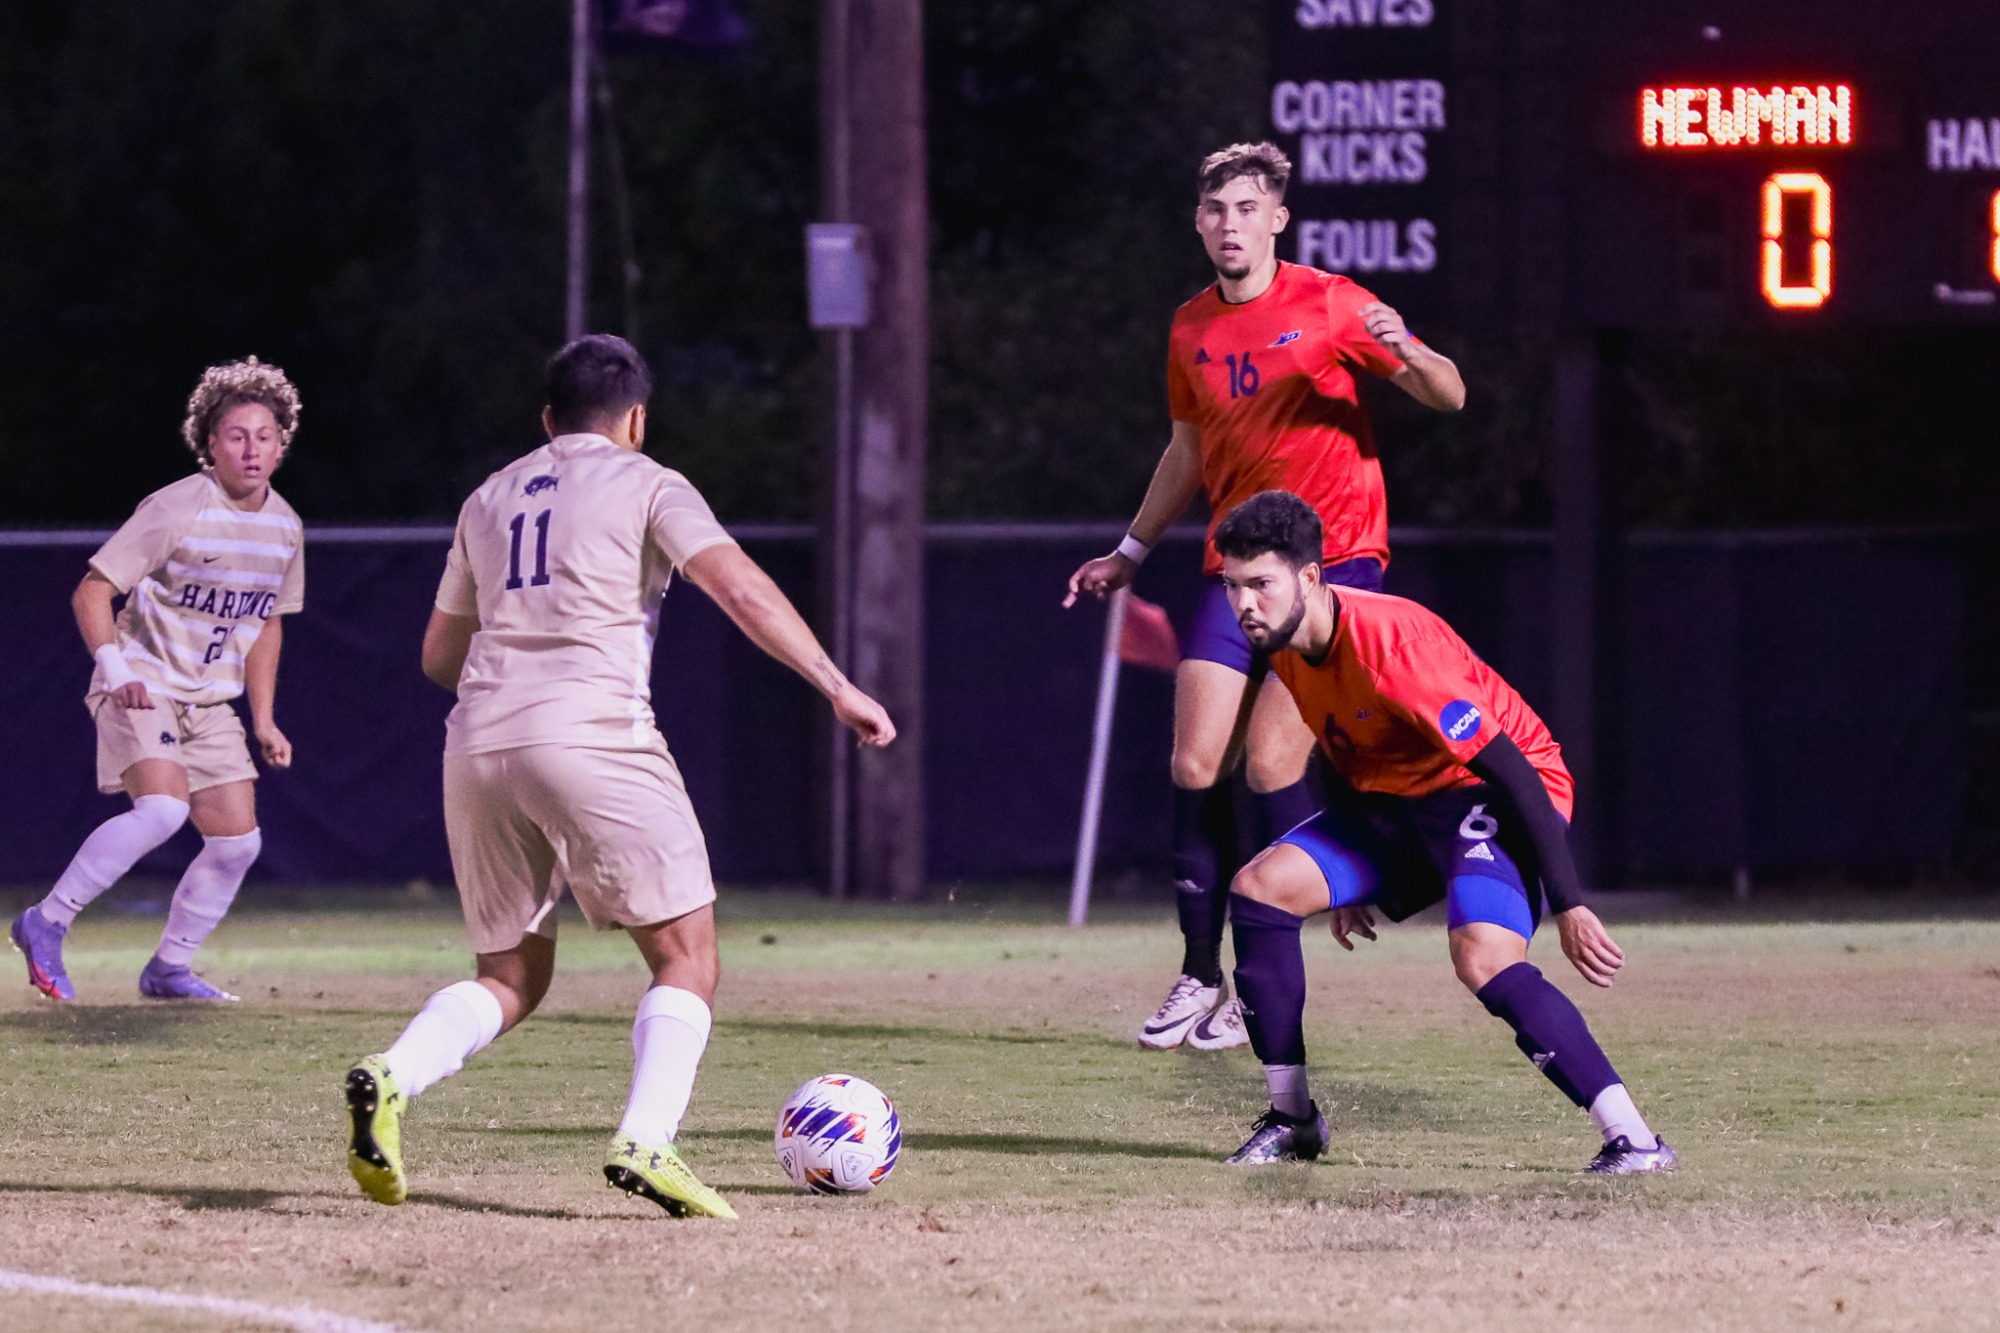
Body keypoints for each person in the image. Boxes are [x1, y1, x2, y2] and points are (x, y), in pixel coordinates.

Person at [341, 335, 895, 1220]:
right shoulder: (649, 482)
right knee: (688, 955)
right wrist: (836, 684)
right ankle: (646, 1139)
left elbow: (440, 654)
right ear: (636, 418)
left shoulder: (486, 498)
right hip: (593, 731)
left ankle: (391, 1071)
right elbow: (741, 589)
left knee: (512, 975)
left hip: (478, 741)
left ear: (547, 419)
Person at [1065, 141, 1465, 1052]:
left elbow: (1448, 393)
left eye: (1247, 208)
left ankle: (1263, 971)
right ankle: (1198, 973)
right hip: (1232, 566)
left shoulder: (1332, 302)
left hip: (1334, 569)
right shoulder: (1189, 328)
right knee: (1194, 765)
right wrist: (1130, 550)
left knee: (1271, 767)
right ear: (1198, 223)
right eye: (1215, 211)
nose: (1230, 224)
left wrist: (1410, 350)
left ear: (1277, 218)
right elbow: (1186, 454)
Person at [1210, 490, 1674, 1175]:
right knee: (1260, 889)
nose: (1244, 603)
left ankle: (1635, 1140)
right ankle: (1293, 1118)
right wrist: (1348, 878)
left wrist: (1570, 900)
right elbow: (1342, 746)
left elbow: (1512, 768)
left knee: (1482, 956)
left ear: (1310, 578)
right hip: (1401, 797)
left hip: (1489, 792)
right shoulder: (1282, 642)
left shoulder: (1395, 648)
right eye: (1232, 585)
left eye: (1260, 583)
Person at [10, 358, 304, 1003]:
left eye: (265, 435)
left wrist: (263, 720)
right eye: (236, 435)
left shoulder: (285, 527)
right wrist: (116, 672)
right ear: (209, 444)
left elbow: (266, 627)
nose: (252, 448)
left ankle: (168, 968)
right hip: (141, 680)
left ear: (283, 442)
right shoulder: (176, 507)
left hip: (208, 701)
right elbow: (92, 592)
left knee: (237, 844)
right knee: (164, 810)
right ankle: (46, 921)